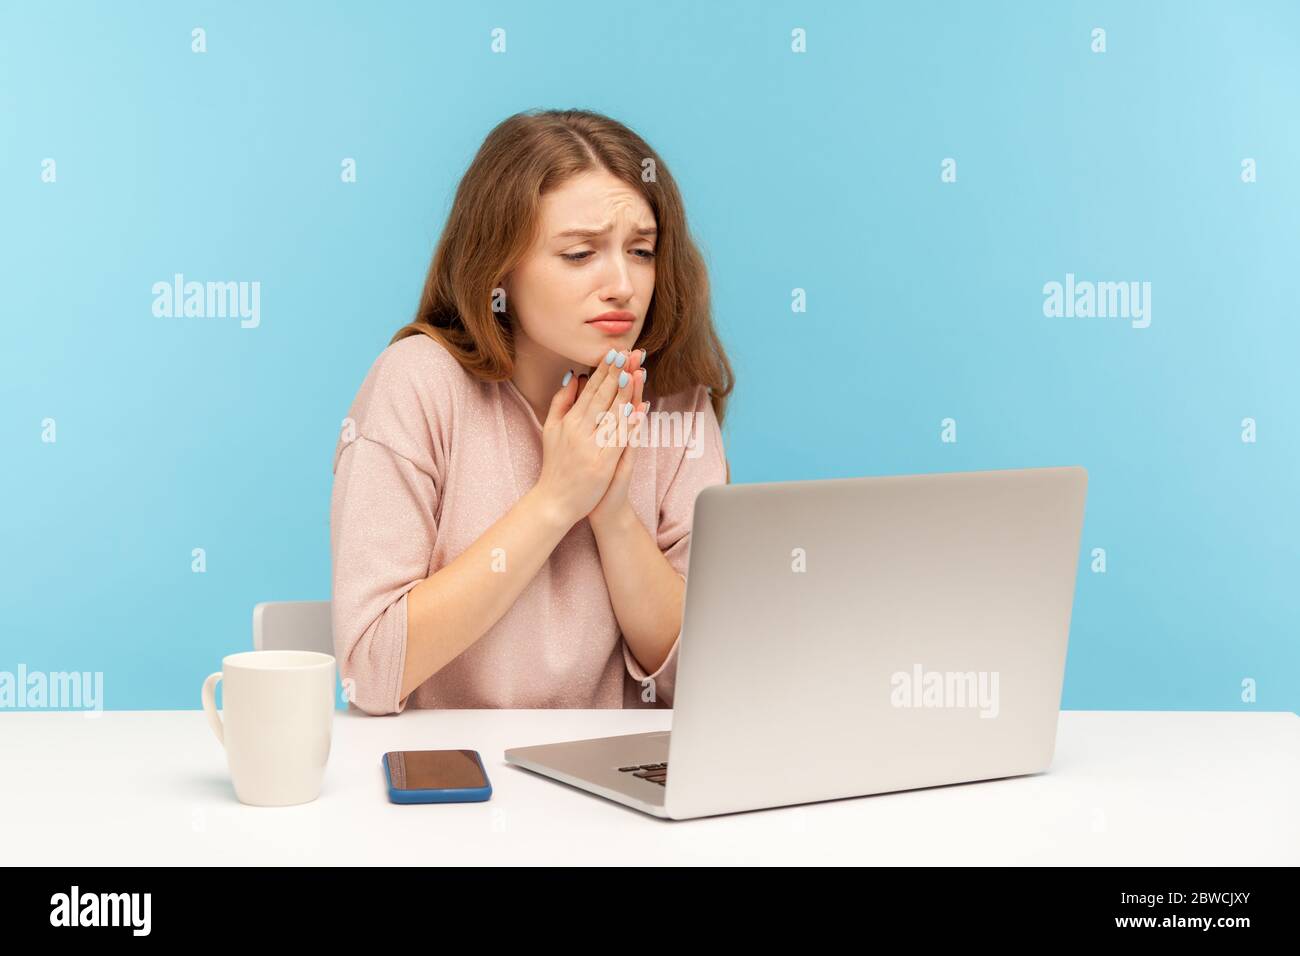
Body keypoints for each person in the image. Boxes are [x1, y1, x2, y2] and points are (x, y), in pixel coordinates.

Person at [330, 109, 733, 715]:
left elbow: (706, 678)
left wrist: (614, 514)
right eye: (579, 254)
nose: (623, 284)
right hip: (457, 782)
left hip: (613, 790)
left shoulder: (673, 401)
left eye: (642, 250)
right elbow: (373, 671)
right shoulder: (417, 384)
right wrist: (556, 499)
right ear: (499, 268)